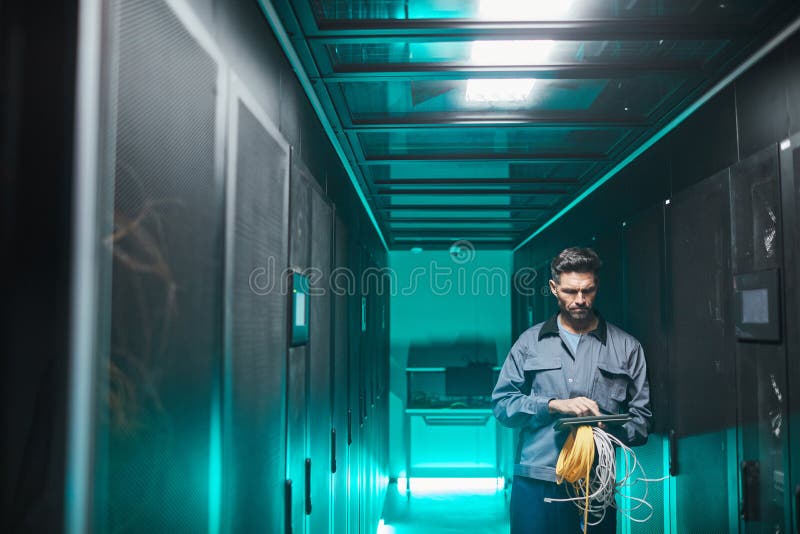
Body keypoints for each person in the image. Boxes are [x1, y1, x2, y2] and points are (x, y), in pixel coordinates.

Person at [492, 247, 652, 533]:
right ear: (554, 288)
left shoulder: (628, 348)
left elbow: (642, 423)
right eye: (570, 291)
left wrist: (607, 427)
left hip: (595, 482)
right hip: (536, 479)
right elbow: (503, 406)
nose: (580, 300)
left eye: (587, 291)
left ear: (596, 287)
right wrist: (552, 405)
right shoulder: (529, 343)